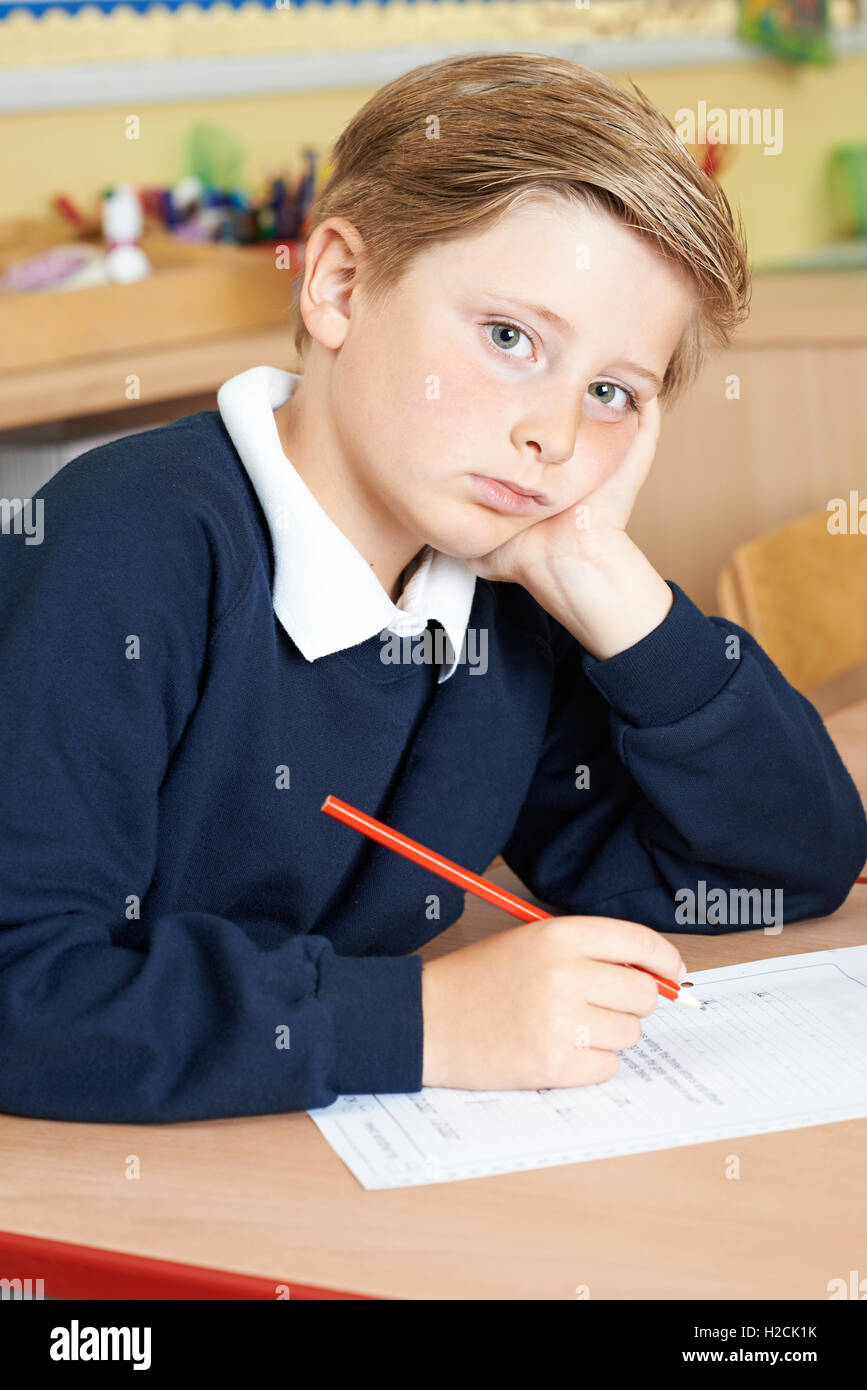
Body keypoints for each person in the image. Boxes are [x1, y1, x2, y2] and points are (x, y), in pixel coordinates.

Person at [1, 54, 864, 1122]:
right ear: (340, 286)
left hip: (287, 1155)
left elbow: (787, 867)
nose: (552, 432)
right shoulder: (129, 547)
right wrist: (427, 1021)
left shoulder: (497, 593)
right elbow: (25, 985)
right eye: (510, 339)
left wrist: (607, 582)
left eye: (610, 391)